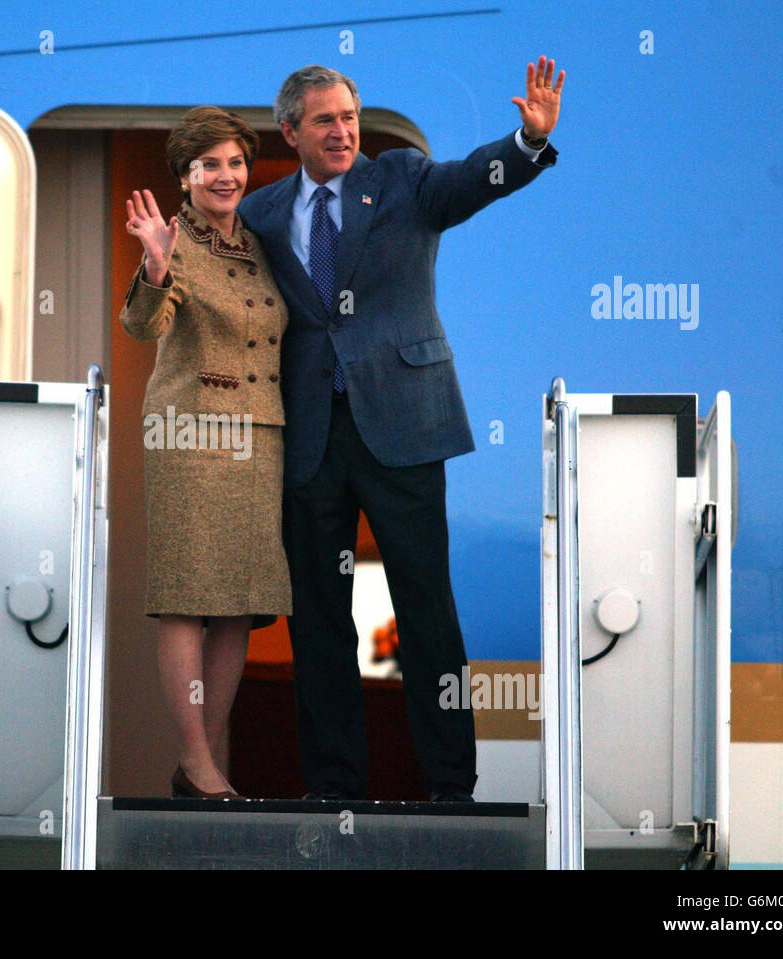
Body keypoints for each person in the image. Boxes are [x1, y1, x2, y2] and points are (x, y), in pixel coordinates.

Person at [239, 59, 565, 802]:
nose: (342, 131)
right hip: (311, 439)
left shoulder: (402, 180)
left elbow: (473, 179)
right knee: (320, 624)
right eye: (324, 120)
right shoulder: (260, 214)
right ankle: (332, 787)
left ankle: (452, 784)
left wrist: (526, 141)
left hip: (405, 430)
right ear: (290, 131)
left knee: (426, 614)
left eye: (348, 117)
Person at [120, 106, 292, 799]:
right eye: (210, 165)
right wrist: (156, 268)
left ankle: (202, 761)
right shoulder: (173, 239)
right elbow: (143, 324)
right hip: (192, 436)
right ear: (185, 177)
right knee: (188, 598)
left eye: (235, 163)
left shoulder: (258, 242)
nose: (227, 176)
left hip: (261, 437)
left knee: (239, 602)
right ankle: (195, 760)